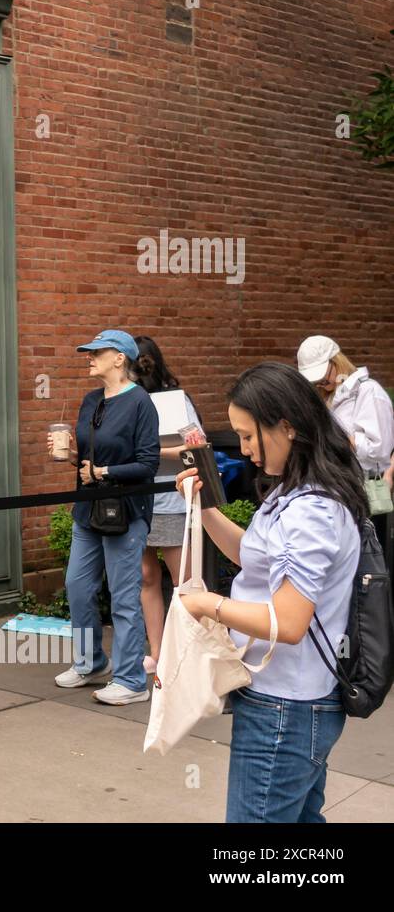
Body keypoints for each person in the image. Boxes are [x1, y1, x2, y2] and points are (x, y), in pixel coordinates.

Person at [176, 361, 365, 822]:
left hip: (285, 706)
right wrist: (204, 512)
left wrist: (207, 605)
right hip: (292, 700)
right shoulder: (297, 492)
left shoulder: (311, 510)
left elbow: (289, 622)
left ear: (287, 427)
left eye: (247, 435)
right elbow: (255, 560)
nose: (242, 450)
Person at [49, 330, 159, 705]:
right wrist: (68, 457)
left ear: (120, 359)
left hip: (126, 511)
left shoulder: (140, 402)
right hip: (88, 508)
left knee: (124, 597)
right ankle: (91, 663)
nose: (89, 356)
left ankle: (131, 681)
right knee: (77, 586)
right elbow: (87, 454)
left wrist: (103, 473)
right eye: (88, 351)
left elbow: (148, 463)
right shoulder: (91, 400)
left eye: (98, 351)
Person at [133, 336, 203, 673]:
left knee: (183, 583)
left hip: (172, 500)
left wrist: (149, 454)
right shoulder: (125, 403)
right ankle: (158, 653)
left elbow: (197, 447)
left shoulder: (177, 402)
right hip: (139, 502)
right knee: (147, 577)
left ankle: (189, 652)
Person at [297, 336, 393, 572]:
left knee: (365, 564)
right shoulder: (331, 397)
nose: (320, 381)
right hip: (337, 489)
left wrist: (340, 437)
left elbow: (379, 449)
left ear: (336, 361)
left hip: (365, 491)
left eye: (322, 374)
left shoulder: (368, 392)